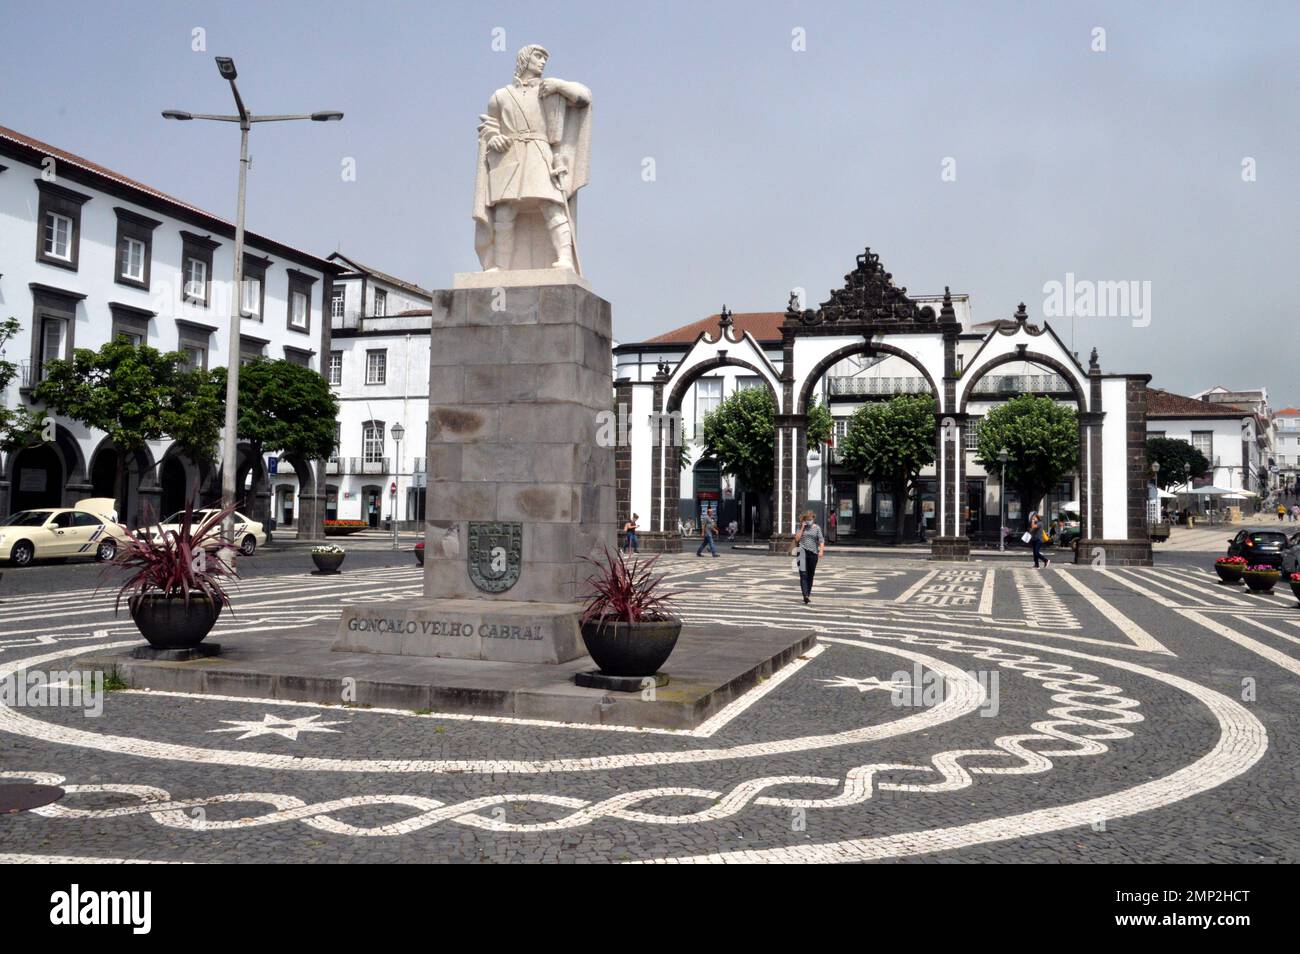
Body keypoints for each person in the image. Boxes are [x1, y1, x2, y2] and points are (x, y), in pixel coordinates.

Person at [795, 510, 825, 604]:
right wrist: (802, 528)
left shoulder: (817, 528)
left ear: (813, 519)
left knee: (810, 575)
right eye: (807, 519)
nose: (809, 521)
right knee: (803, 574)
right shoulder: (800, 528)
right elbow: (797, 539)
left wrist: (821, 551)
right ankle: (805, 595)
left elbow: (821, 540)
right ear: (804, 520)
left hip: (813, 553)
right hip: (802, 552)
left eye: (810, 519)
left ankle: (808, 593)